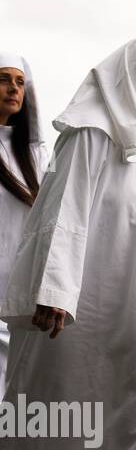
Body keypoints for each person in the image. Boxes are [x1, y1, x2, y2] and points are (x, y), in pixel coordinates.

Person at [0, 38, 136, 450]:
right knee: (47, 384)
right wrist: (55, 289)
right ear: (132, 74)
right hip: (85, 283)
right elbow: (65, 211)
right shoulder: (90, 129)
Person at [0, 54, 48, 397]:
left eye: (19, 82)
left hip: (19, 299)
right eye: (4, 79)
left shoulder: (35, 157)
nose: (13, 89)